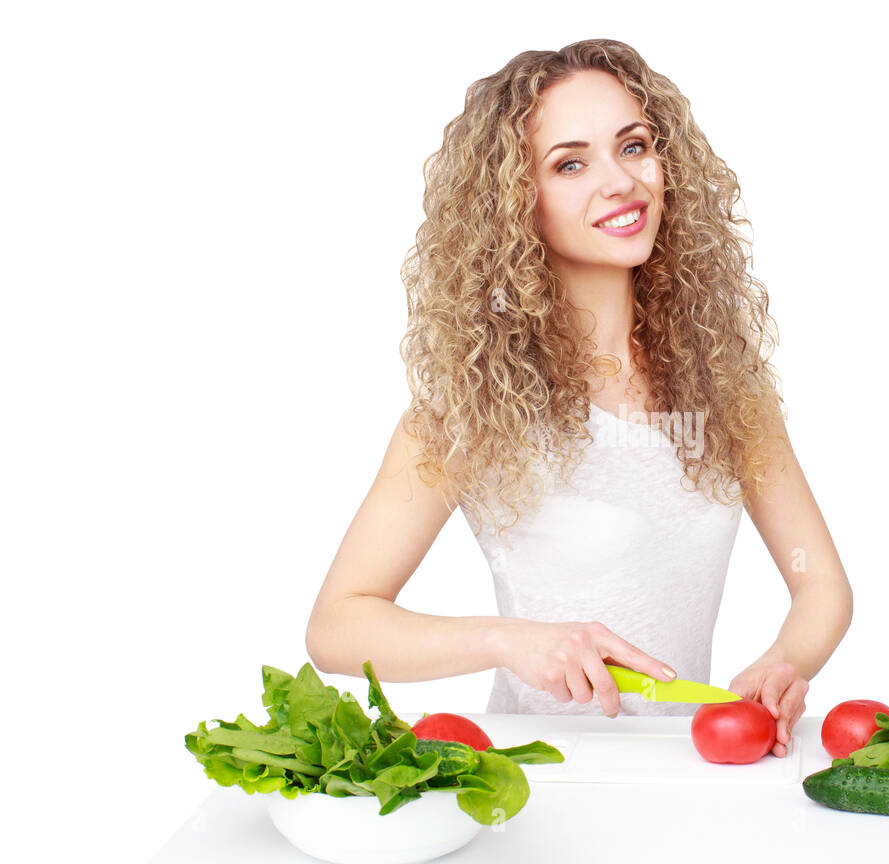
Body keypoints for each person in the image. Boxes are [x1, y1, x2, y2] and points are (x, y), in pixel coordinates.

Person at [306, 38, 852, 758]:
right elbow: (338, 627)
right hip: (535, 773)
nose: (621, 181)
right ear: (514, 205)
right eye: (570, 163)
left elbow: (820, 586)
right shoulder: (469, 406)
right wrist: (507, 641)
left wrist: (783, 662)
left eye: (634, 146)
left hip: (690, 767)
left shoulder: (724, 385)